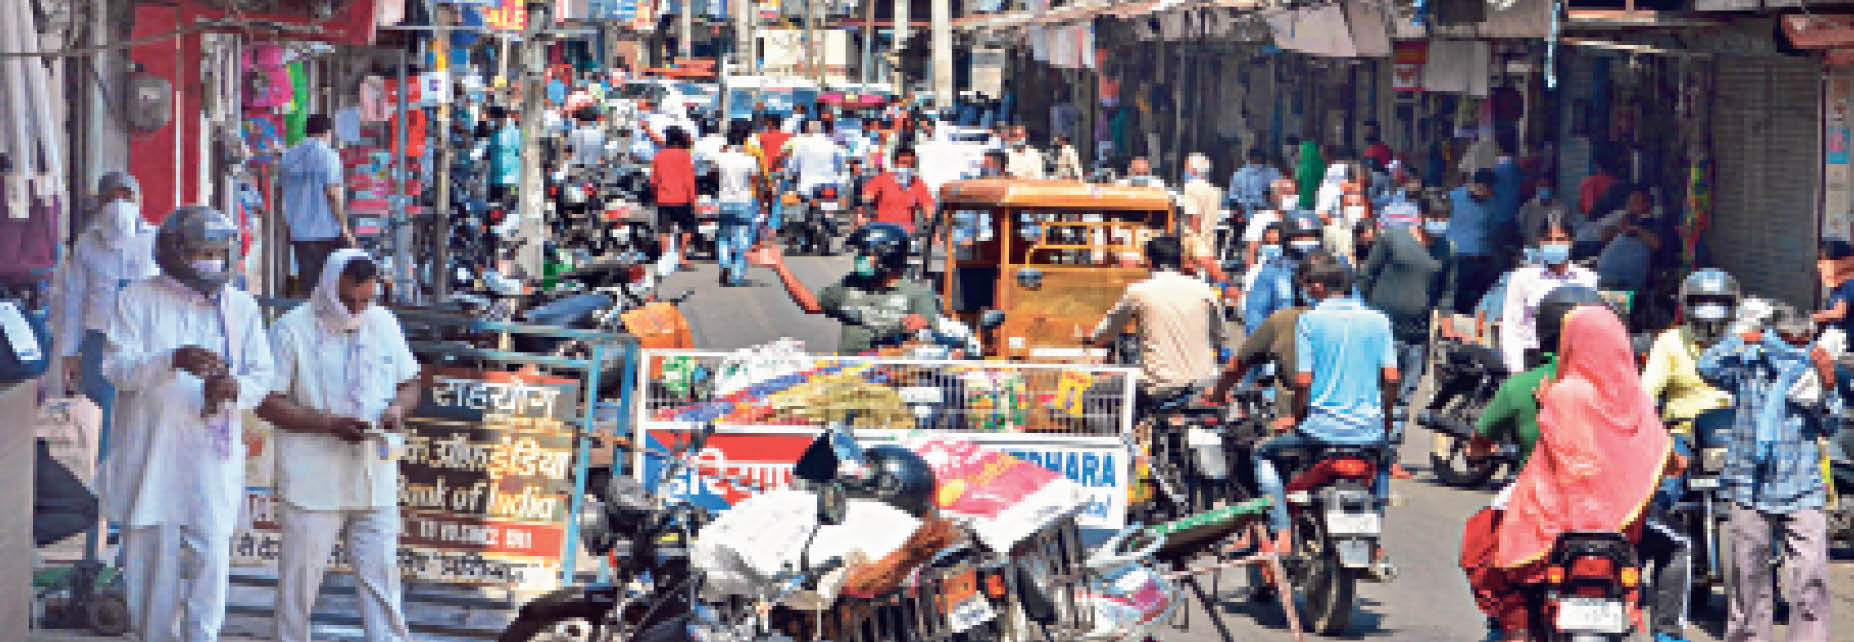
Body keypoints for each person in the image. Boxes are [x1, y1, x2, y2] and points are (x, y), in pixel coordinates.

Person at [101, 206, 277, 642]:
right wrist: (171, 361)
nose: (208, 262)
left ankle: (204, 635)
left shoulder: (240, 308)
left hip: (211, 454)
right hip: (152, 450)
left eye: (215, 253)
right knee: (151, 557)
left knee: (212, 552)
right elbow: (118, 369)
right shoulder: (136, 300)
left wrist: (231, 387)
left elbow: (262, 376)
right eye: (199, 253)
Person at [1461, 303, 1676, 641]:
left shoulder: (1559, 392)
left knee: (1491, 550)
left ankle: (1512, 630)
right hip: (1620, 525)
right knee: (1676, 545)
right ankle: (1670, 631)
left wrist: (1550, 404)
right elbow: (1661, 453)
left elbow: (1569, 456)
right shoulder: (1634, 397)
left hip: (1558, 515)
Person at [256, 250, 419, 642]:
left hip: (373, 478)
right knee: (299, 591)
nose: (355, 310)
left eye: (364, 300)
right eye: (347, 300)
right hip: (313, 482)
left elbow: (410, 382)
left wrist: (397, 410)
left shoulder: (382, 322)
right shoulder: (291, 330)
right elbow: (265, 401)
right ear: (328, 288)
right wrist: (327, 424)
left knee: (383, 587)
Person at [1696, 304, 1836, 642]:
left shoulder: (1812, 370)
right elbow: (1706, 367)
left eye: (1804, 341)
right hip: (1750, 485)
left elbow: (1830, 426)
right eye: (1790, 340)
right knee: (1749, 577)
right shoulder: (1750, 364)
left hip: (1801, 485)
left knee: (1811, 576)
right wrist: (1738, 339)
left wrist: (1828, 387)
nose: (1796, 348)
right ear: (1776, 336)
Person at [1253, 260, 1397, 554]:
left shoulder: (1310, 321)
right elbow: (1392, 377)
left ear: (1318, 286)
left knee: (1262, 454)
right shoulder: (1379, 320)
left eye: (1307, 286)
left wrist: (1295, 416)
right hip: (1368, 432)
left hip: (1321, 431)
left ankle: (1281, 531)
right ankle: (1375, 535)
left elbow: (1303, 380)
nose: (1305, 292)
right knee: (1384, 457)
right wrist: (1386, 417)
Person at [57, 171, 160, 451]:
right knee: (100, 410)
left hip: (144, 339)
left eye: (125, 196)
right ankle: (103, 483)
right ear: (100, 202)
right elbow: (74, 298)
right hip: (98, 338)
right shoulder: (86, 244)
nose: (118, 204)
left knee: (141, 408)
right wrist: (70, 352)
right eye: (111, 197)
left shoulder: (156, 240)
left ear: (138, 201)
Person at [753, 223, 940, 355]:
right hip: (849, 372)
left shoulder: (917, 294)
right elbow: (811, 304)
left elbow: (930, 327)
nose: (860, 259)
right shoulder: (851, 283)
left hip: (894, 373)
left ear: (888, 257)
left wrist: (921, 324)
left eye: (866, 255)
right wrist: (780, 267)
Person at [1204, 252, 1340, 417]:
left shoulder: (1285, 320)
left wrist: (1218, 393)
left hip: (1301, 427)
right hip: (1363, 427)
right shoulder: (1371, 321)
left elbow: (1237, 367)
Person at [1359, 203, 1454, 405]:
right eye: (1435, 217)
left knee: (1406, 395)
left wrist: (1447, 325)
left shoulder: (1448, 249)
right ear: (1421, 216)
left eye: (1444, 218)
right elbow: (1367, 277)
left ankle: (1395, 434)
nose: (1440, 223)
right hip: (1383, 331)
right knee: (1375, 389)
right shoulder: (1392, 239)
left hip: (1417, 336)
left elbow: (1447, 292)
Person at [1498, 213, 1599, 373]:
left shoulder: (1588, 280)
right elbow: (1512, 329)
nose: (1554, 244)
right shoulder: (1523, 278)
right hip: (1532, 363)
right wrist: (1517, 371)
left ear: (1571, 242)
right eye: (1548, 239)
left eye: (1560, 240)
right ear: (1540, 242)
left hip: (1575, 364)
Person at [279, 114, 352, 297]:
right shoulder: (329, 157)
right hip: (327, 233)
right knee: (331, 289)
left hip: (300, 233)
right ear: (327, 133)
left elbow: (280, 193)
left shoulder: (288, 157)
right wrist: (344, 227)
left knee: (310, 289)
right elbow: (333, 194)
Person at [1247, 214, 1322, 336]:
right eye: (1299, 237)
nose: (1305, 241)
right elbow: (1256, 314)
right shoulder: (1272, 270)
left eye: (1310, 236)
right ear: (1287, 240)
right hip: (1285, 341)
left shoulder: (1335, 267)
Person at [1590, 185, 1664, 292]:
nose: (1630, 206)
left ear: (1646, 205)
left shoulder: (1652, 223)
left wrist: (1637, 230)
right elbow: (1603, 237)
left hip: (1624, 281)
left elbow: (1656, 244)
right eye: (1629, 203)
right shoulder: (1624, 219)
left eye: (1635, 203)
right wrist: (1620, 228)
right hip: (1603, 276)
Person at [1447, 169, 1502, 314]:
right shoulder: (1453, 198)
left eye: (1488, 190)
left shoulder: (1491, 203)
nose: (1485, 193)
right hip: (1458, 257)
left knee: (1479, 299)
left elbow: (1493, 229)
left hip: (1482, 258)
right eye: (1483, 189)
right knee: (1456, 297)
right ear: (1474, 184)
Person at [713, 126, 760, 286]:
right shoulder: (750, 159)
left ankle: (724, 262)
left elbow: (712, 172)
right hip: (744, 202)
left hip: (724, 201)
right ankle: (737, 275)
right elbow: (755, 181)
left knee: (724, 236)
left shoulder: (721, 158)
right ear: (744, 141)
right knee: (743, 240)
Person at [651, 126, 698, 269]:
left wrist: (655, 196)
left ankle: (666, 257)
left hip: (663, 198)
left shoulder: (659, 155)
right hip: (682, 198)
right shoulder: (685, 156)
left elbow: (653, 180)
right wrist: (693, 199)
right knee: (687, 227)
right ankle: (681, 256)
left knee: (664, 229)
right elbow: (689, 180)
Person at [1179, 153, 1229, 284]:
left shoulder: (1190, 188)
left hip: (1195, 245)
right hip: (1209, 240)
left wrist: (1189, 249)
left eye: (1186, 167)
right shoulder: (1214, 190)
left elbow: (1194, 218)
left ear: (1192, 169)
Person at [860, 147, 935, 233]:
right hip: (884, 229)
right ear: (895, 164)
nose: (907, 167)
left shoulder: (918, 183)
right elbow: (868, 193)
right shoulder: (883, 179)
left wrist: (929, 212)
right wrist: (867, 198)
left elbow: (928, 202)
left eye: (911, 164)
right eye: (904, 163)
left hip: (906, 232)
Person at [786, 120, 845, 198]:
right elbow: (840, 167)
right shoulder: (833, 145)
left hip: (807, 189)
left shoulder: (801, 146)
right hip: (829, 188)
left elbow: (793, 167)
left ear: (809, 130)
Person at [1813, 238, 1854, 337]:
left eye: (1823, 261)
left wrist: (1811, 317)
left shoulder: (1847, 282)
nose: (1819, 266)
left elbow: (1838, 313)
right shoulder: (1839, 282)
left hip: (1846, 343)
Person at [1227, 147, 1284, 219]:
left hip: (1267, 211)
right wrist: (1240, 205)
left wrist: (1271, 193)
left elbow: (1282, 189)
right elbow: (1233, 196)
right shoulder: (1239, 175)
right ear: (1249, 159)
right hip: (1246, 212)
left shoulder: (1272, 172)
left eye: (1261, 159)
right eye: (1255, 159)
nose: (1258, 162)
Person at [1515, 178, 1571, 248]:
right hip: (1532, 249)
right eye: (1542, 186)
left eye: (1547, 187)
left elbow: (1568, 229)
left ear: (1552, 189)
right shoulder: (1527, 208)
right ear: (1537, 189)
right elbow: (1520, 227)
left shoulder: (1561, 208)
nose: (1545, 189)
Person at [488, 106, 523, 203]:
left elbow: (521, 153)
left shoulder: (514, 133)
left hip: (510, 181)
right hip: (494, 181)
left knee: (510, 211)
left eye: (494, 118)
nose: (493, 121)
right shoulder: (493, 134)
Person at [1294, 139, 1325, 211]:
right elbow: (1321, 183)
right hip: (1316, 201)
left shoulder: (1300, 166)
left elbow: (1297, 184)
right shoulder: (1321, 165)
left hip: (1302, 200)